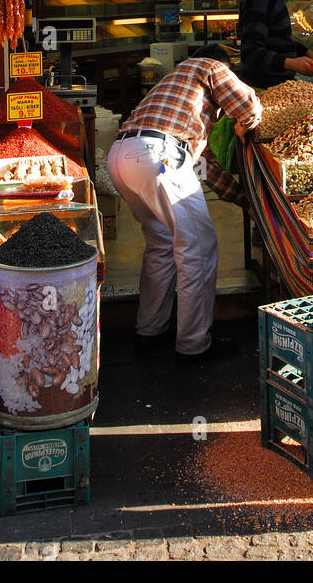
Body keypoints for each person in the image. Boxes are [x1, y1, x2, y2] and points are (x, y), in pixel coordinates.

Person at [106, 54, 262, 362]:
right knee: (198, 249)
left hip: (122, 154)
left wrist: (248, 203)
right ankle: (193, 345)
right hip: (160, 156)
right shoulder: (208, 65)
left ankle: (149, 331)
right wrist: (248, 123)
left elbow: (205, 169)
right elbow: (245, 103)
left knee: (162, 243)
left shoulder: (176, 94)